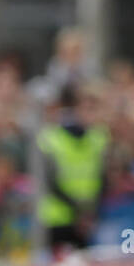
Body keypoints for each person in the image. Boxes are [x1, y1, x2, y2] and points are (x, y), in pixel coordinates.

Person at [36, 86, 109, 257]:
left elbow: (103, 178)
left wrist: (90, 210)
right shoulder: (50, 138)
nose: (93, 114)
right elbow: (49, 181)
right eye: (88, 109)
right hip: (58, 219)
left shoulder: (99, 138)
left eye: (96, 109)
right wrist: (79, 210)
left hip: (88, 220)